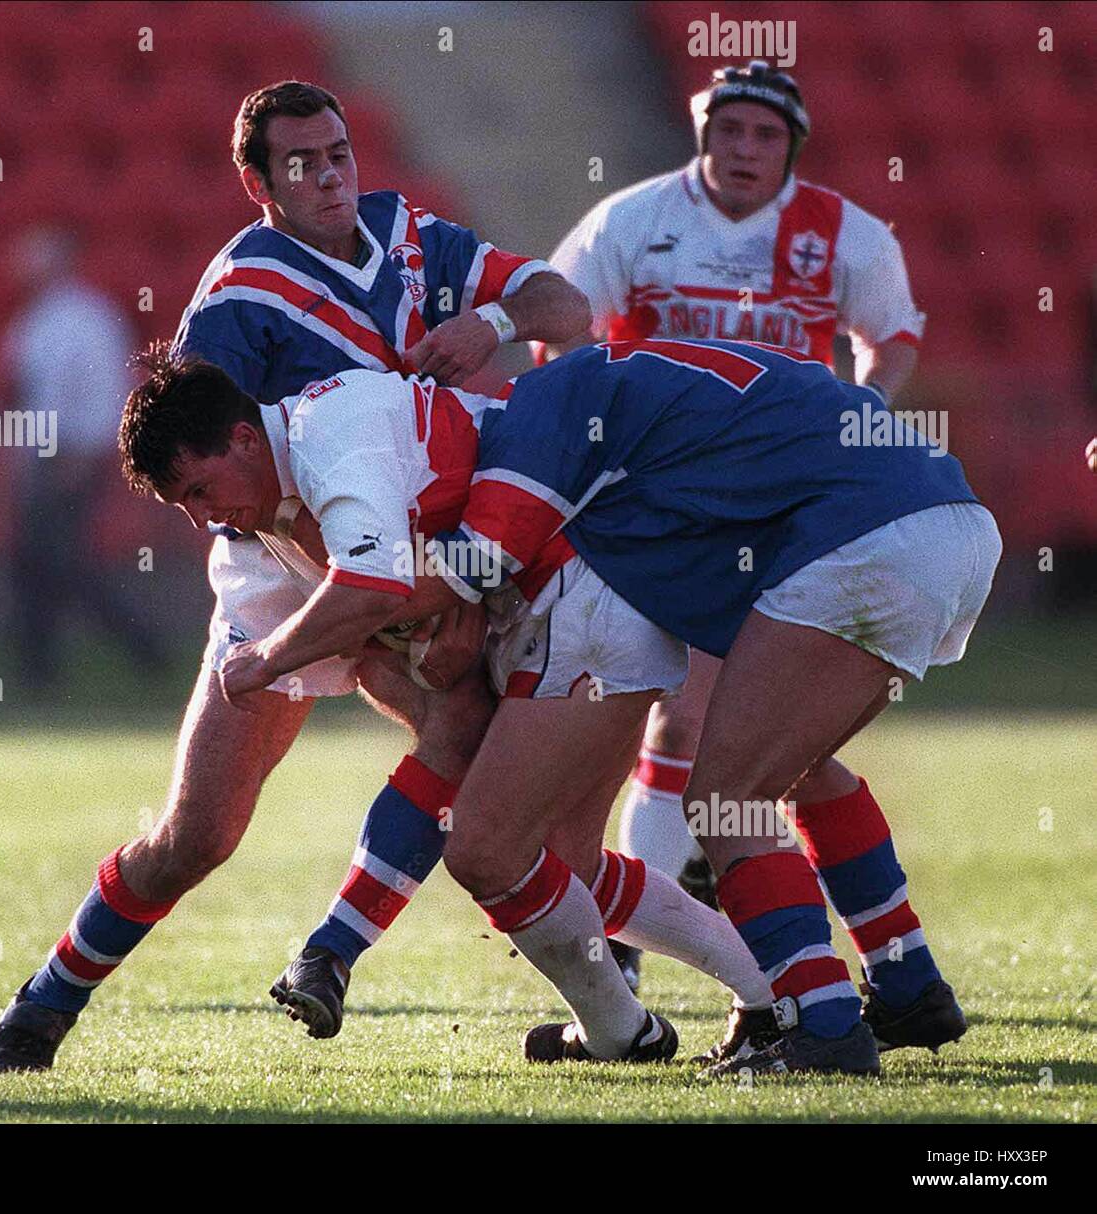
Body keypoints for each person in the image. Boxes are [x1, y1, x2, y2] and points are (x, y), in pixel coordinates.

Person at [0, 79, 599, 1071]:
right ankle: (47, 998)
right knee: (198, 834)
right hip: (283, 570)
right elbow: (204, 477)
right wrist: (378, 613)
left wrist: (493, 325)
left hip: (405, 555)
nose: (329, 176)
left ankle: (556, 998)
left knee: (493, 737)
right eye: (302, 162)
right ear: (255, 182)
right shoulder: (236, 296)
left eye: (339, 153)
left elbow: (564, 306)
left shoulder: (407, 235)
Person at [176, 336, 998, 1073]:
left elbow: (459, 564)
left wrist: (275, 656)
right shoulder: (602, 396)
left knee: (721, 798)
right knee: (797, 769)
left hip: (872, 535)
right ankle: (906, 982)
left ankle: (817, 1022)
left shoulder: (540, 414)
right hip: (945, 519)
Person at [542, 62, 940, 1036]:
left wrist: (857, 416)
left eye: (765, 134)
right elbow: (560, 334)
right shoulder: (629, 223)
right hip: (661, 505)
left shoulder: (845, 235)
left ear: (791, 145)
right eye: (728, 131)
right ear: (700, 133)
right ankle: (902, 973)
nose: (744, 151)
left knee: (724, 749)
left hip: (780, 513)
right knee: (751, 747)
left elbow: (889, 341)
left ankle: (738, 979)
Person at [3, 226, 163, 688]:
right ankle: (45, 669)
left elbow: (103, 395)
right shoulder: (33, 320)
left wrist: (83, 455)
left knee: (56, 563)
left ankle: (135, 649)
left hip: (71, 458)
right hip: (42, 456)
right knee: (43, 564)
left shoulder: (88, 318)